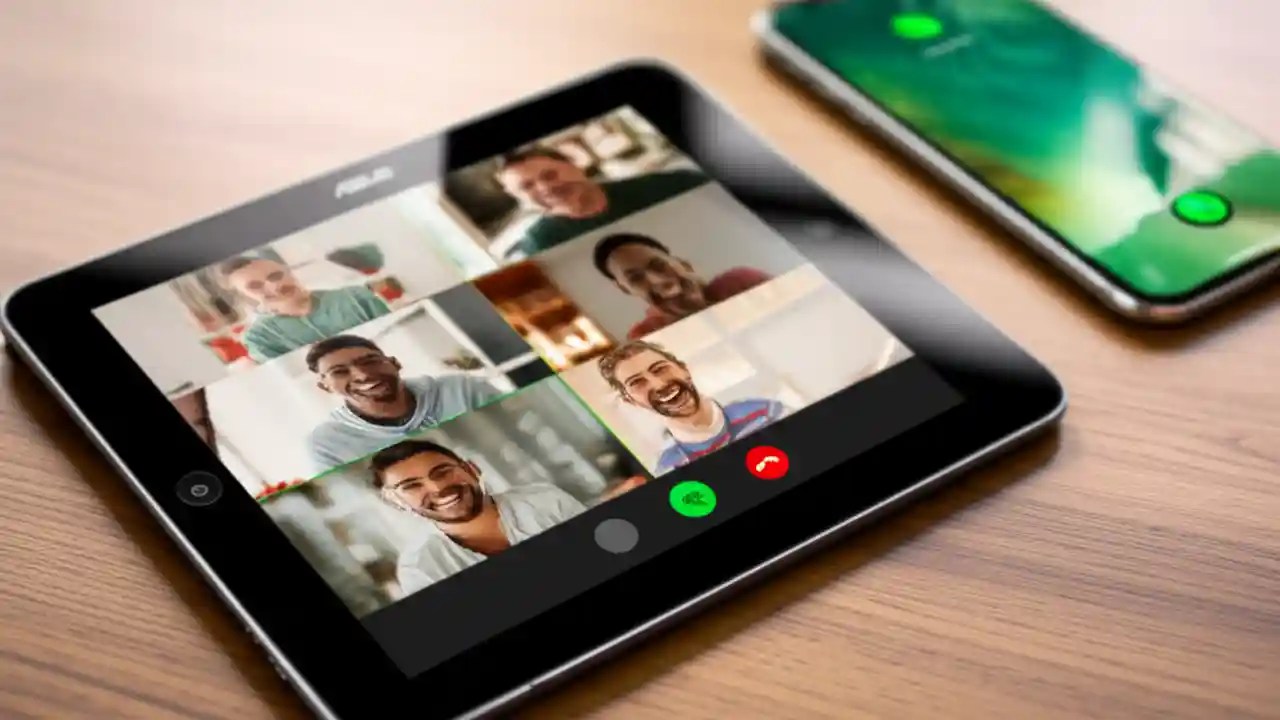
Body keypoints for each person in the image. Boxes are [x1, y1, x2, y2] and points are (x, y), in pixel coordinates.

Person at [371, 439, 586, 593]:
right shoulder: (420, 568)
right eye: (411, 486)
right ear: (396, 503)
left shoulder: (544, 499)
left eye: (443, 471)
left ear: (472, 469)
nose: (438, 488)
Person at [305, 335, 501, 472]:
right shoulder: (328, 443)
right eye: (339, 372)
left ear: (395, 363)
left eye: (370, 361)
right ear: (325, 387)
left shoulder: (461, 388)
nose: (363, 375)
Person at [598, 340, 786, 474]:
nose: (658, 385)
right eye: (637, 383)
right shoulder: (669, 468)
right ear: (631, 401)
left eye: (660, 369)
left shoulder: (766, 411)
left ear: (684, 369)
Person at [494, 147, 708, 258]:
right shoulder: (541, 243)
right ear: (519, 198)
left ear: (576, 165)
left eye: (550, 175)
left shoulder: (673, 183)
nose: (545, 188)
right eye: (527, 186)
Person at [593, 233, 773, 339]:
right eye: (636, 278)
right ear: (626, 290)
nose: (657, 281)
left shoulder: (742, 281)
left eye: (659, 265)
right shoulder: (647, 337)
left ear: (683, 263)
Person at [220, 255, 390, 363]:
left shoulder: (356, 297)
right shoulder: (259, 339)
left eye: (276, 276)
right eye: (255, 286)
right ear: (244, 297)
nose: (274, 286)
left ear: (289, 273)